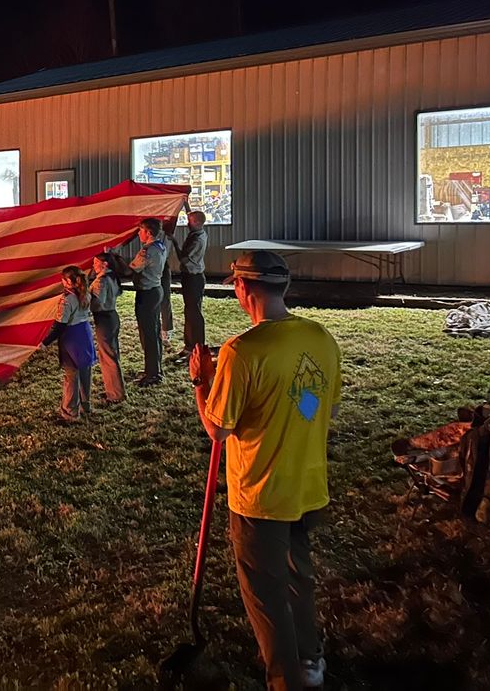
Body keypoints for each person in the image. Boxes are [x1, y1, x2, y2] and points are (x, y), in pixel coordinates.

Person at [191, 251, 341, 691]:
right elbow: (318, 406)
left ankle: (284, 680)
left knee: (265, 596)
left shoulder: (242, 351)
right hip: (307, 487)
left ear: (243, 289)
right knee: (298, 579)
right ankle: (310, 660)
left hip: (260, 494)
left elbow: (218, 429)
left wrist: (202, 380)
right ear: (284, 287)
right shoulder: (320, 338)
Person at [41, 266, 98, 422]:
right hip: (84, 332)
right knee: (85, 370)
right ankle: (85, 405)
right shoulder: (85, 294)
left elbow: (60, 325)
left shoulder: (67, 300)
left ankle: (70, 412)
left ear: (67, 281)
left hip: (71, 337)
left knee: (71, 375)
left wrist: (45, 342)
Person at [125, 217, 168, 386]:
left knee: (148, 334)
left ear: (148, 232)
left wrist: (113, 259)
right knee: (154, 332)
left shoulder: (147, 251)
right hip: (156, 289)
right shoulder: (161, 246)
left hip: (147, 293)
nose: (138, 233)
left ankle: (152, 373)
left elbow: (130, 270)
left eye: (140, 230)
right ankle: (155, 367)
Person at [171, 210, 209, 361]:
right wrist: (186, 203)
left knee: (193, 313)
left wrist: (174, 242)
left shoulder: (196, 239)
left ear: (198, 222)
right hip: (193, 277)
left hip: (193, 278)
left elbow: (183, 258)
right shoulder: (198, 234)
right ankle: (190, 346)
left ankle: (196, 346)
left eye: (191, 221)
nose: (188, 223)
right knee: (190, 311)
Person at [89, 252, 126, 404]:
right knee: (112, 353)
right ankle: (116, 389)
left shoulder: (101, 281)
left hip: (103, 318)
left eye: (96, 263)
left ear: (104, 264)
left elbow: (98, 303)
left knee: (108, 357)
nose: (93, 266)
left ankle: (115, 394)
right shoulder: (112, 277)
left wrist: (85, 303)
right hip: (112, 316)